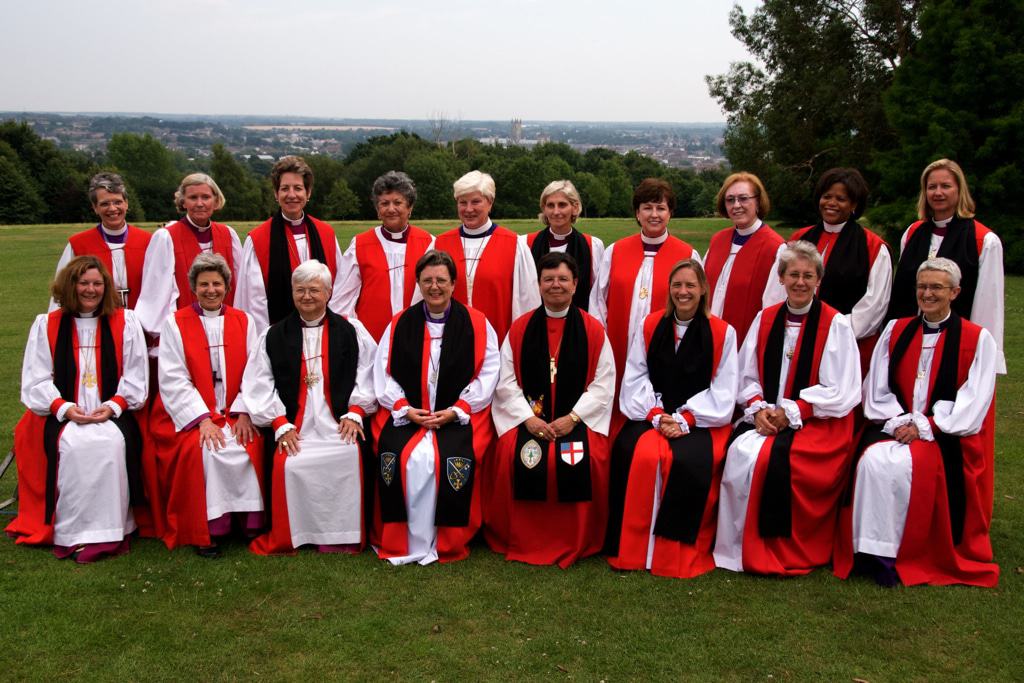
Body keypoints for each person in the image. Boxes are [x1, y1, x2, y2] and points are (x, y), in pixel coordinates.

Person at [834, 258, 998, 587]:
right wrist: (897, 422)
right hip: (894, 425)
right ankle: (869, 552)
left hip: (945, 435)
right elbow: (876, 388)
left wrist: (927, 426)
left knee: (905, 468)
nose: (927, 293)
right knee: (873, 462)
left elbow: (974, 401)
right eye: (922, 286)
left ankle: (899, 554)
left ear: (955, 292)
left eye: (936, 287)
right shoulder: (896, 330)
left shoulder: (977, 339)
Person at [714, 241, 860, 575]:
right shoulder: (765, 319)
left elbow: (842, 389)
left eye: (808, 276)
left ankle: (779, 547)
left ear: (818, 281)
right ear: (780, 278)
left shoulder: (835, 324)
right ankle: (735, 546)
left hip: (817, 423)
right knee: (741, 454)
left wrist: (791, 412)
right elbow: (746, 373)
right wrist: (759, 408)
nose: (800, 282)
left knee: (769, 459)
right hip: (767, 416)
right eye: (793, 274)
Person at [8, 256, 148, 562]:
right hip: (65, 414)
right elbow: (36, 378)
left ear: (106, 287)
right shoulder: (47, 324)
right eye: (83, 283)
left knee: (110, 445)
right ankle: (74, 532)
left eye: (97, 283)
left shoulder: (126, 322)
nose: (91, 289)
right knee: (73, 447)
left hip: (110, 412)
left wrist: (112, 406)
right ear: (69, 286)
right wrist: (65, 409)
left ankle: (111, 531)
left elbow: (136, 378)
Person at [605, 259, 738, 578]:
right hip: (653, 414)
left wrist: (686, 419)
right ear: (669, 290)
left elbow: (724, 387)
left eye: (691, 285)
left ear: (703, 289)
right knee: (640, 454)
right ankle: (635, 549)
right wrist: (655, 414)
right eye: (677, 285)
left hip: (701, 422)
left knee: (684, 461)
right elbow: (635, 376)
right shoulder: (650, 325)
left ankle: (670, 551)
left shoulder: (723, 332)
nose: (683, 291)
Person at [485, 252, 615, 568]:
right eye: (548, 279)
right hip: (529, 420)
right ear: (539, 284)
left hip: (575, 420)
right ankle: (521, 537)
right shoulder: (520, 328)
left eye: (562, 279)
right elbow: (506, 381)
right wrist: (527, 418)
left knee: (589, 458)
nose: (555, 285)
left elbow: (604, 382)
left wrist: (572, 418)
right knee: (509, 452)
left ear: (575, 284)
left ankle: (577, 539)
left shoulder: (592, 329)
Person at [371, 250, 499, 564]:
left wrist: (458, 409)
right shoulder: (401, 323)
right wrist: (403, 408)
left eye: (441, 280)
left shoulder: (478, 323)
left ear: (454, 283)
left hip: (455, 417)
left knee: (443, 458)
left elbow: (489, 372)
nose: (434, 287)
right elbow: (383, 371)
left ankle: (448, 539)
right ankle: (402, 539)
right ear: (418, 284)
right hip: (410, 416)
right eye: (427, 280)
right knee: (404, 457)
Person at [241, 260, 377, 555]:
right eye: (300, 290)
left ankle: (342, 535)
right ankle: (299, 534)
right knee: (290, 462)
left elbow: (369, 372)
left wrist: (356, 412)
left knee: (349, 455)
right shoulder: (273, 335)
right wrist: (279, 422)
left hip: (337, 423)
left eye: (314, 290)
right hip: (295, 426)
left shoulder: (352, 330)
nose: (306, 296)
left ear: (328, 293)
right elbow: (258, 383)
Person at [151, 253, 263, 556]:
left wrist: (242, 412)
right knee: (207, 450)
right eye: (203, 285)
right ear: (193, 288)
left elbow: (256, 371)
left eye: (216, 283)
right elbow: (173, 378)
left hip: (235, 410)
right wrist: (202, 419)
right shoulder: (175, 323)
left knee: (246, 446)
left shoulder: (244, 320)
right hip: (194, 414)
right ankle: (212, 529)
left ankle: (248, 524)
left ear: (227, 286)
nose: (210, 290)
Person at [886, 159, 1005, 374]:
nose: (938, 193)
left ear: (960, 190)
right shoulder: (912, 234)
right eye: (932, 187)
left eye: (946, 186)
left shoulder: (983, 240)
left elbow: (988, 305)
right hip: (910, 340)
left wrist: (984, 357)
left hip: (956, 343)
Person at [590, 178, 701, 399]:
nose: (654, 214)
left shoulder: (688, 256)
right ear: (637, 213)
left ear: (670, 213)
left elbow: (697, 307)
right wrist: (601, 344)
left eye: (661, 208)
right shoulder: (615, 251)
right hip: (618, 346)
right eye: (647, 208)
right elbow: (598, 302)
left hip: (666, 346)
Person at [791, 168, 891, 370]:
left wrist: (830, 331)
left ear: (854, 204)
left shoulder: (872, 247)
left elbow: (874, 306)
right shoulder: (798, 240)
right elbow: (779, 288)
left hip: (847, 344)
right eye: (826, 196)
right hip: (796, 337)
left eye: (841, 198)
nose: (831, 203)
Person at [234, 156, 347, 332]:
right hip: (278, 334)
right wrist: (267, 340)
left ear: (308, 193)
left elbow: (339, 289)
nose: (291, 195)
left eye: (298, 188)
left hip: (323, 332)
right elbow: (253, 301)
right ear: (276, 194)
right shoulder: (258, 239)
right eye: (285, 188)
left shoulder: (326, 234)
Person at [135, 173, 243, 342]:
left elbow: (240, 284)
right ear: (183, 202)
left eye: (206, 197)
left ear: (215, 201)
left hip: (225, 326)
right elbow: (158, 292)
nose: (200, 203)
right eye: (193, 197)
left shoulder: (229, 235)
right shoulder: (166, 237)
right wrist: (167, 334)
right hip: (184, 329)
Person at [434, 170, 540, 342]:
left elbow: (527, 303)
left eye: (476, 201)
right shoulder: (439, 244)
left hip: (498, 342)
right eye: (462, 202)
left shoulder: (514, 244)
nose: (469, 209)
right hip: (447, 343)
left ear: (490, 203)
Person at [335, 171, 435, 342]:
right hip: (370, 339)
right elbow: (342, 300)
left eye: (398, 202)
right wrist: (354, 336)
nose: (391, 209)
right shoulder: (360, 245)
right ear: (377, 209)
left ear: (409, 207)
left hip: (417, 336)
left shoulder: (429, 244)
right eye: (384, 203)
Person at [703, 172, 786, 340]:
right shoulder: (717, 241)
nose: (736, 205)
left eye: (743, 198)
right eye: (730, 200)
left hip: (746, 343)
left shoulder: (775, 248)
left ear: (758, 201)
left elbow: (773, 308)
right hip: (708, 336)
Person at [51, 172, 151, 310]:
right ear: (95, 207)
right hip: (96, 323)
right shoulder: (79, 245)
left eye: (118, 202)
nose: (112, 209)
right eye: (105, 204)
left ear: (126, 203)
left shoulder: (149, 241)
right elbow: (62, 290)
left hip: (141, 325)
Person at [522, 180, 605, 311]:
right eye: (550, 205)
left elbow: (597, 296)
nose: (556, 211)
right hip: (535, 321)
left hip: (578, 321)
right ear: (544, 209)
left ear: (575, 207)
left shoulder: (593, 246)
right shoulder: (525, 243)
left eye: (562, 205)